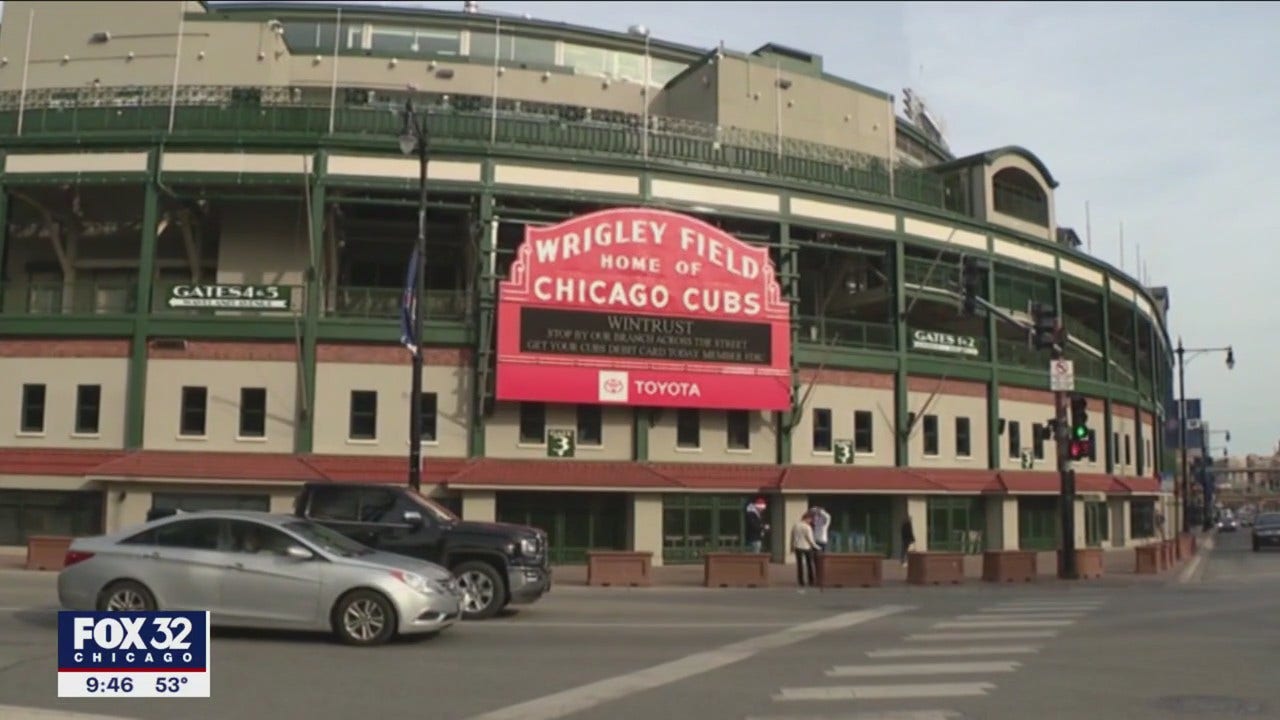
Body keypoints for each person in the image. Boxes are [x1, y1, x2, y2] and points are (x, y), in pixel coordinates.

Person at [791, 511, 818, 589]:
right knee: (809, 564)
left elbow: (792, 537)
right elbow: (810, 539)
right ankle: (811, 580)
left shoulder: (795, 525)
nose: (811, 521)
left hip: (797, 547)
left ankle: (801, 581)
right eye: (810, 520)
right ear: (807, 518)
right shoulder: (807, 527)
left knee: (800, 565)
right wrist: (816, 546)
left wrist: (792, 546)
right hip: (806, 547)